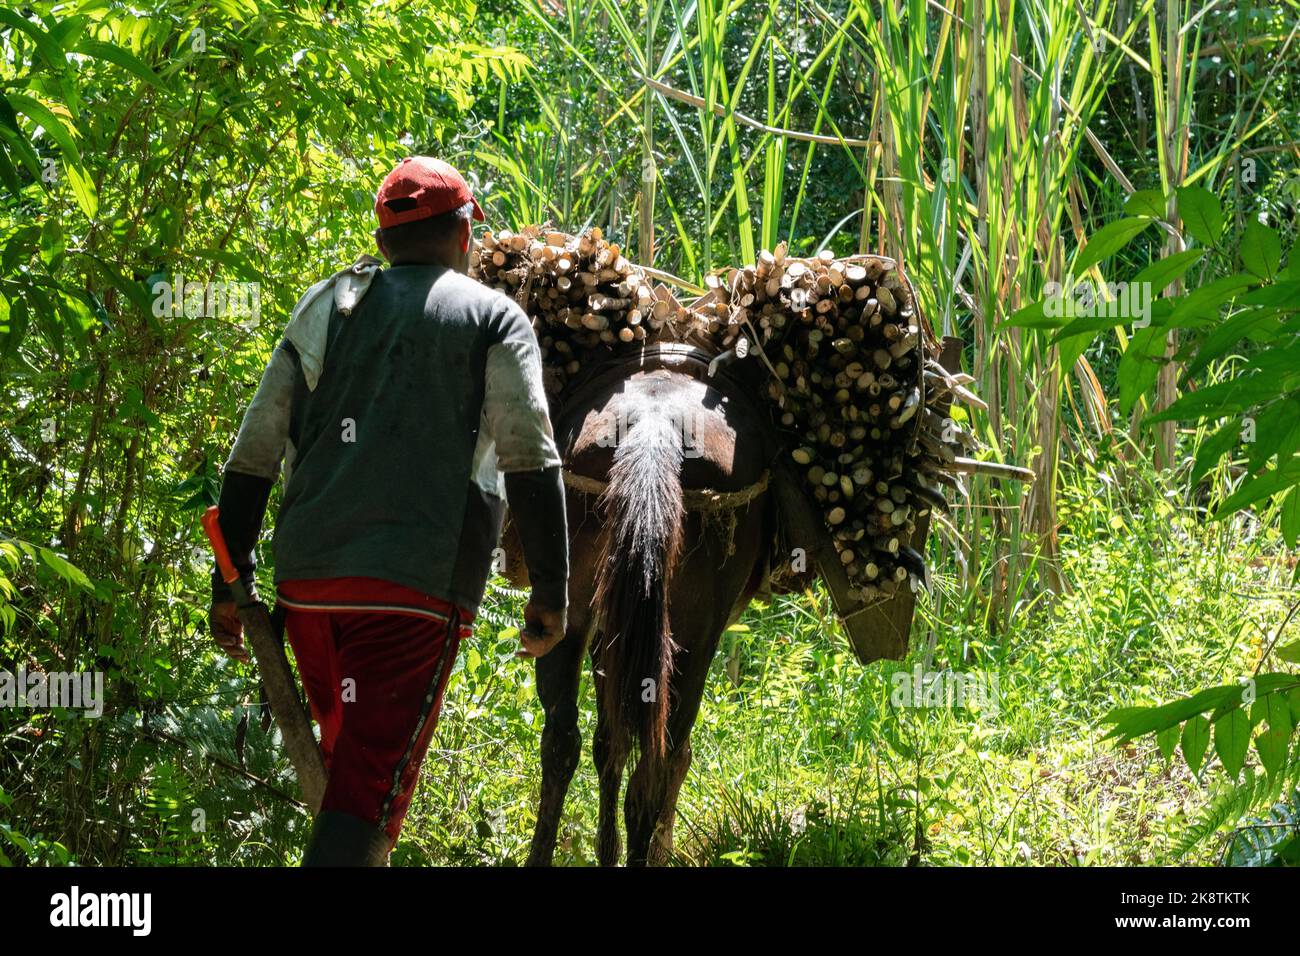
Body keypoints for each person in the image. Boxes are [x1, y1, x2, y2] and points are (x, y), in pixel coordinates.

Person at [207, 156, 568, 865]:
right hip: (416, 595)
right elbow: (531, 456)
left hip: (307, 593)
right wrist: (551, 597)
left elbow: (254, 450)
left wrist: (230, 580)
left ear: (382, 240)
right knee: (368, 797)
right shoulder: (494, 318)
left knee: (349, 781)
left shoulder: (327, 305)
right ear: (465, 234)